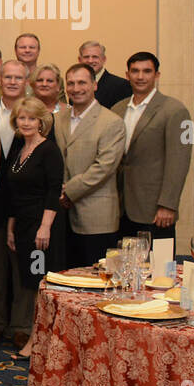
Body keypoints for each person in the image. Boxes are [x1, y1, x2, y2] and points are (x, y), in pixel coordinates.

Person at [5, 97, 66, 359]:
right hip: (22, 225)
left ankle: (38, 341)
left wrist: (45, 227)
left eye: (31, 118)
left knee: (40, 285)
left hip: (42, 228)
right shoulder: (20, 148)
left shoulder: (48, 149)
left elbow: (54, 191)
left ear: (41, 121)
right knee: (29, 284)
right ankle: (37, 336)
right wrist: (10, 228)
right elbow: (13, 194)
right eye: (22, 118)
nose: (26, 122)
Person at [111, 51, 193, 240]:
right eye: (135, 71)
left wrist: (168, 204)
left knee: (159, 267)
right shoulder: (117, 109)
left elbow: (180, 161)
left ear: (157, 75)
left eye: (147, 71)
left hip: (156, 210)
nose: (140, 77)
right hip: (121, 207)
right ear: (127, 75)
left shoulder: (176, 110)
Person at [55, 63, 126, 269]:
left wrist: (69, 191)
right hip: (63, 215)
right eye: (71, 83)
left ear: (94, 85)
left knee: (96, 281)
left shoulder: (111, 121)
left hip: (96, 216)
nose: (76, 88)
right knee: (67, 277)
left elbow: (104, 167)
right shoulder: (59, 118)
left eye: (82, 83)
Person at [0, 60, 28, 347]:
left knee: (23, 266)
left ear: (26, 81)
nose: (12, 82)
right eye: (7, 77)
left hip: (26, 203)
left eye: (18, 77)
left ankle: (22, 324)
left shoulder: (35, 113)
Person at [80, 40, 132, 108]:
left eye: (95, 57)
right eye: (86, 57)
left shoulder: (122, 85)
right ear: (79, 60)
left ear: (104, 59)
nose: (90, 61)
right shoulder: (75, 86)